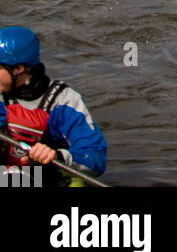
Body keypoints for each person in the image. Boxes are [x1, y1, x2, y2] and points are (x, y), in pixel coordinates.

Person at [0, 27, 107, 182]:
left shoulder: (64, 102)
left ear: (18, 69)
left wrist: (58, 156)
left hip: (49, 178)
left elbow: (95, 158)